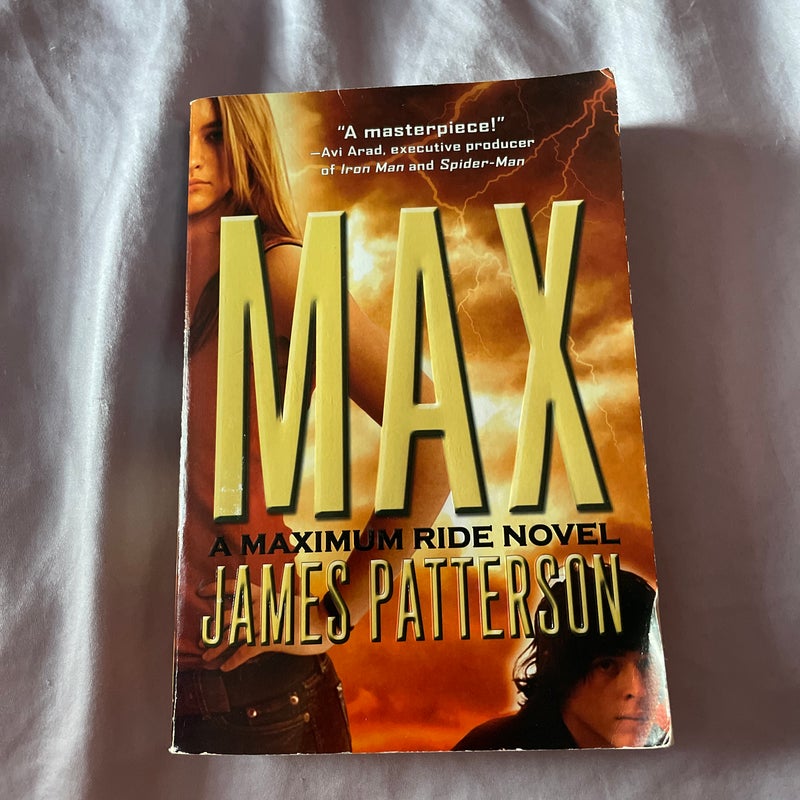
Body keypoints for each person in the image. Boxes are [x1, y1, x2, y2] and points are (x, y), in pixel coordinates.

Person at [173, 96, 449, 754]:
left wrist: (333, 613)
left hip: (249, 697)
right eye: (177, 135)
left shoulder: (275, 269)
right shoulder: (119, 270)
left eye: (214, 136)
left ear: (245, 142)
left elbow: (433, 436)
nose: (191, 159)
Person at [453, 562, 670, 750]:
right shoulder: (491, 749)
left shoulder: (662, 746)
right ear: (560, 669)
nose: (637, 690)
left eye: (646, 664)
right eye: (606, 665)